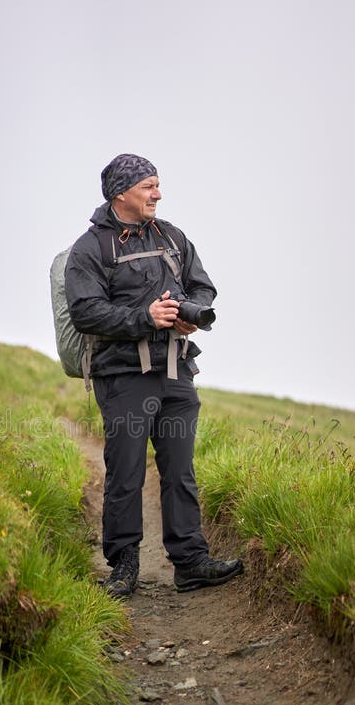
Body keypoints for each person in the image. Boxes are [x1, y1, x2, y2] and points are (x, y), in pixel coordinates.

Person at [65, 153, 243, 598]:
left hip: (177, 372)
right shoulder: (89, 250)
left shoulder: (173, 237)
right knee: (125, 473)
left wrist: (188, 317)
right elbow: (86, 313)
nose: (158, 194)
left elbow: (203, 288)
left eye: (157, 185)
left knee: (180, 471)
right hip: (123, 378)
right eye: (149, 186)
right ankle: (123, 567)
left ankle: (191, 562)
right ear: (120, 193)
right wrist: (146, 317)